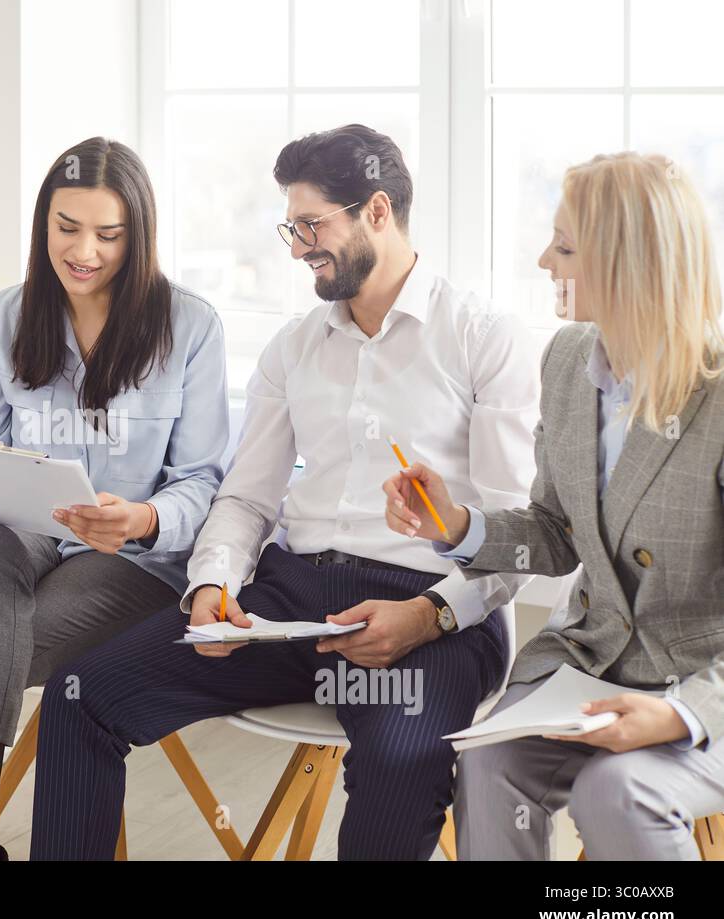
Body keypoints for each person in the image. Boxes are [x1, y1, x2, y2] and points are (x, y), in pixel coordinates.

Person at [30, 124, 540, 860]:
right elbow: (245, 501)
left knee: (402, 763)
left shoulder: (483, 336)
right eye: (290, 227)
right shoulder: (293, 347)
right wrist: (211, 584)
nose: (298, 247)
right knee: (82, 696)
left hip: (435, 607)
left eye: (311, 226)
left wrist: (429, 616)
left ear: (375, 211)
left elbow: (516, 532)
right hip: (293, 599)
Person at [0, 137, 229, 861]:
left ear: (137, 237)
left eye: (108, 235)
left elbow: (203, 481)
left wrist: (141, 519)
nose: (84, 252)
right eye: (66, 227)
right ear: (43, 222)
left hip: (133, 559)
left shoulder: (191, 327)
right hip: (18, 538)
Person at [383, 152, 724, 860]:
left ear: (632, 262)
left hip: (702, 688)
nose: (544, 260)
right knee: (489, 759)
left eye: (565, 246)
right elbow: (556, 531)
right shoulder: (569, 360)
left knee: (615, 790)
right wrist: (458, 527)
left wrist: (679, 712)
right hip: (589, 669)